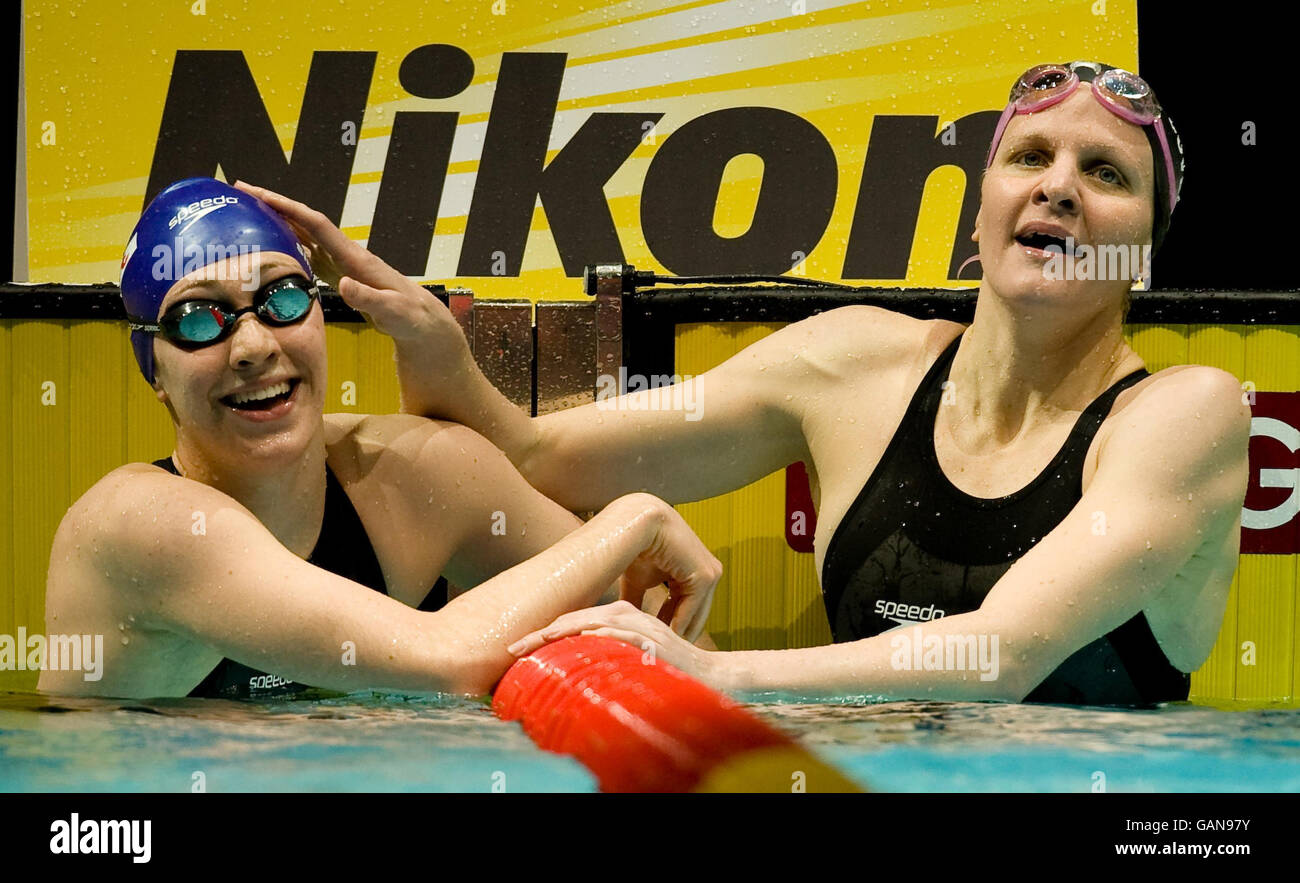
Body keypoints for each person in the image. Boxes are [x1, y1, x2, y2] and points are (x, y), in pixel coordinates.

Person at [283, 61, 1248, 707]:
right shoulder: (850, 365)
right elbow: (536, 460)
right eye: (1029, 157)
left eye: (1107, 172)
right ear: (984, 207)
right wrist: (436, 355)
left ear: (1147, 253)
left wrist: (710, 670)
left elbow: (998, 650)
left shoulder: (1184, 416)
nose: (1058, 185)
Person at [39, 177, 720, 700]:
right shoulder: (133, 527)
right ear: (153, 369)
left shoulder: (418, 476)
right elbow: (447, 659)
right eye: (196, 319)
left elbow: (680, 643)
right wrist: (633, 518)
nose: (251, 345)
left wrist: (441, 358)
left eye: (280, 297)